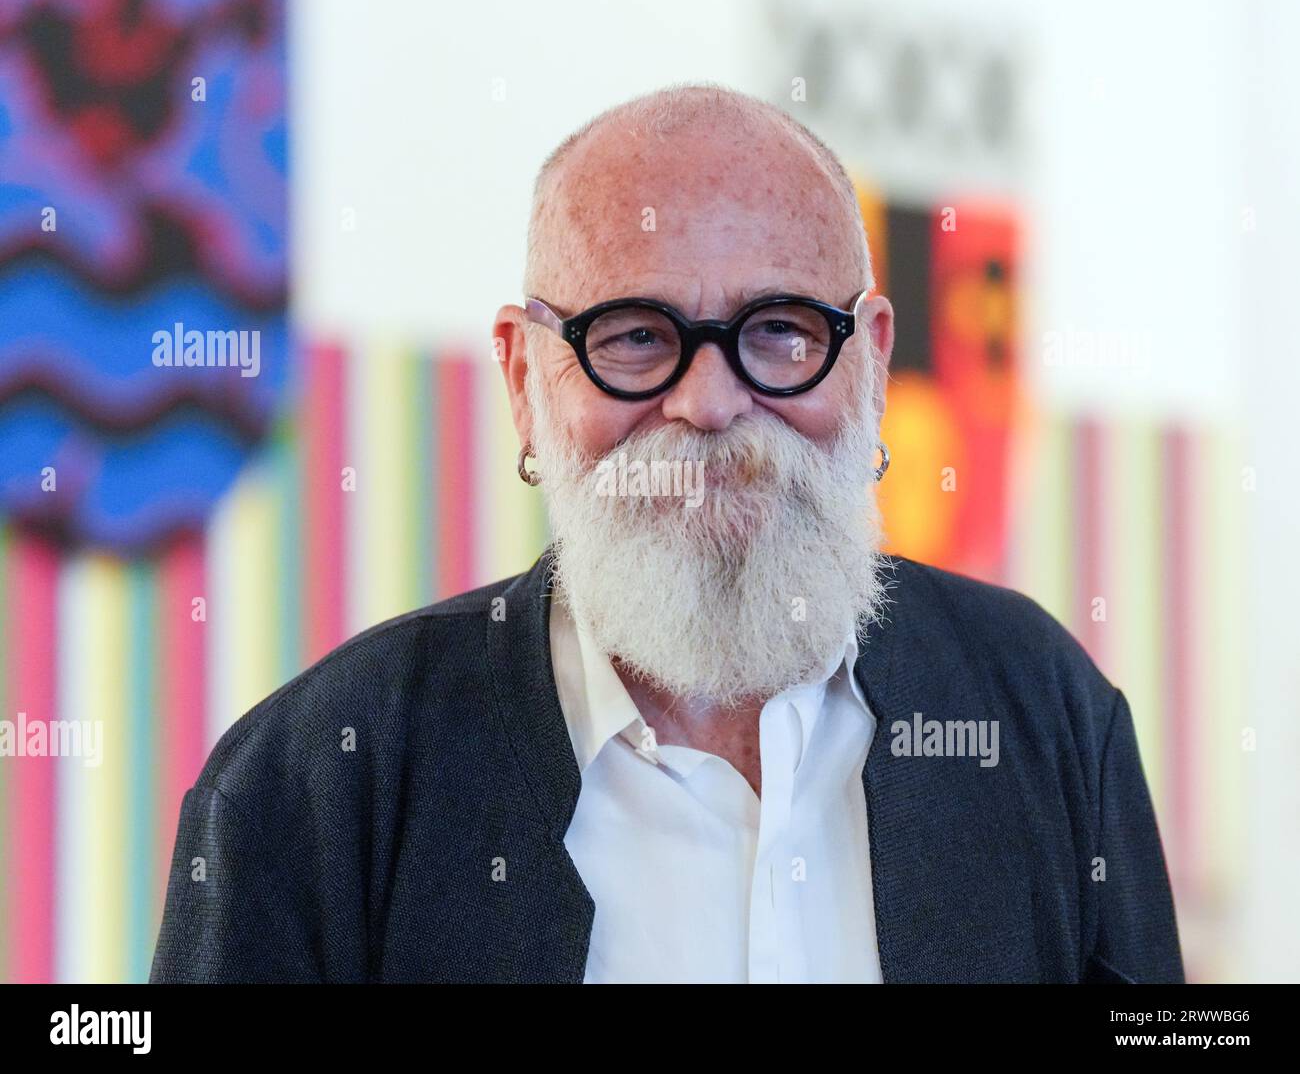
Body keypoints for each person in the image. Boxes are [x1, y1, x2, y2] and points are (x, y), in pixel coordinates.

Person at [150, 83, 1183, 984]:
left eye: (779, 331)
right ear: (523, 376)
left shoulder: (1042, 713)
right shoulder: (319, 781)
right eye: (636, 338)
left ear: (867, 360)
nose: (711, 401)